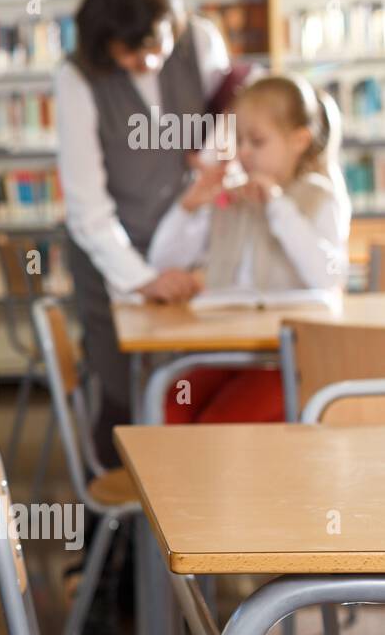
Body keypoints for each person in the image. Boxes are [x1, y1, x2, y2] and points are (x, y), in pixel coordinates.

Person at [56, 0, 231, 468]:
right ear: (104, 45)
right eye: (132, 53)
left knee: (188, 390)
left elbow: (233, 116)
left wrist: (218, 153)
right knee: (121, 397)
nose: (150, 61)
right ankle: (114, 536)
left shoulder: (200, 41)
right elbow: (87, 207)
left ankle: (182, 524)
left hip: (188, 247)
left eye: (157, 45)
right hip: (112, 259)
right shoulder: (76, 78)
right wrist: (142, 278)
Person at [150, 74, 350, 423]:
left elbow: (326, 275)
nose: (243, 152)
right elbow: (163, 263)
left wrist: (277, 205)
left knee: (219, 425)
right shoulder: (232, 197)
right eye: (238, 140)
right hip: (223, 352)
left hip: (287, 363)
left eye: (256, 141)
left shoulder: (321, 197)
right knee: (171, 409)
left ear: (299, 140)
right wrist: (190, 206)